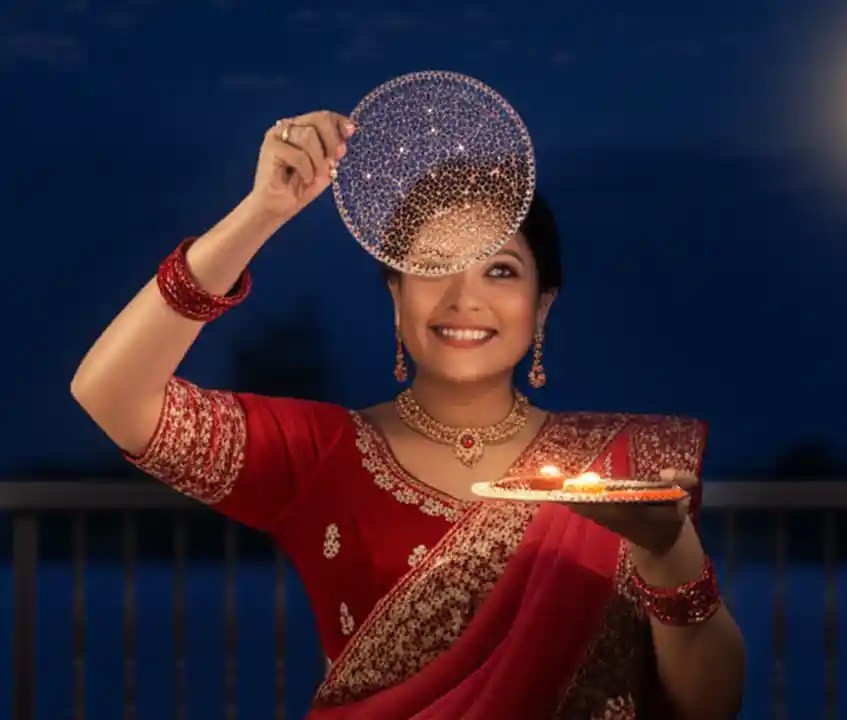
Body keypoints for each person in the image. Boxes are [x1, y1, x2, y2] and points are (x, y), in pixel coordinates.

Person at [71, 109, 746, 719]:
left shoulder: (625, 470)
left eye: (501, 271)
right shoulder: (321, 454)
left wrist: (670, 554)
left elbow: (708, 708)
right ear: (395, 295)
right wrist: (261, 213)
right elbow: (111, 394)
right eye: (432, 267)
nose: (464, 298)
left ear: (542, 306)